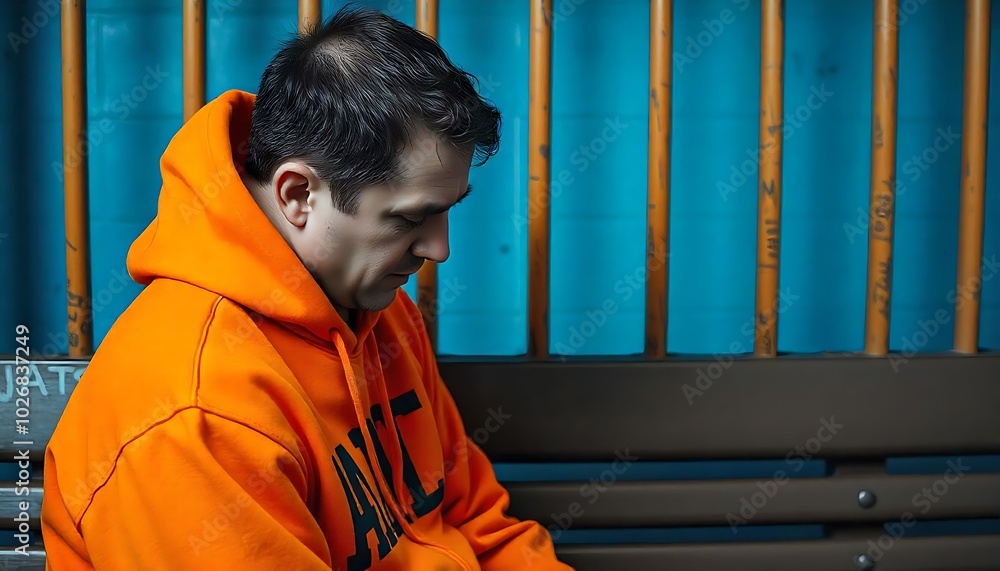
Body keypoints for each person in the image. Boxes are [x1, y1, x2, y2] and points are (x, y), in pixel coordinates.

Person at [41, 6, 574, 570]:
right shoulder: (192, 416)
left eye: (447, 212)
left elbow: (477, 523)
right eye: (410, 218)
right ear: (297, 195)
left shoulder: (375, 305)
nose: (438, 249)